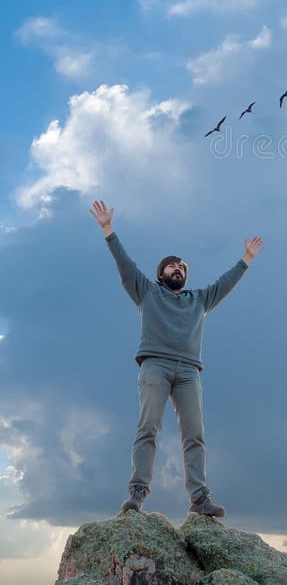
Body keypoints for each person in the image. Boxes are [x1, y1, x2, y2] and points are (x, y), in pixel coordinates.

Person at [89, 199, 263, 517]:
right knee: (148, 429)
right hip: (155, 365)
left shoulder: (198, 300)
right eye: (173, 266)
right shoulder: (146, 291)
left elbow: (224, 284)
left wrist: (246, 259)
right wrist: (107, 229)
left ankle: (199, 499)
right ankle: (137, 494)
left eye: (182, 267)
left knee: (194, 434)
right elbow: (125, 264)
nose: (178, 269)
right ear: (161, 273)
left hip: (188, 372)